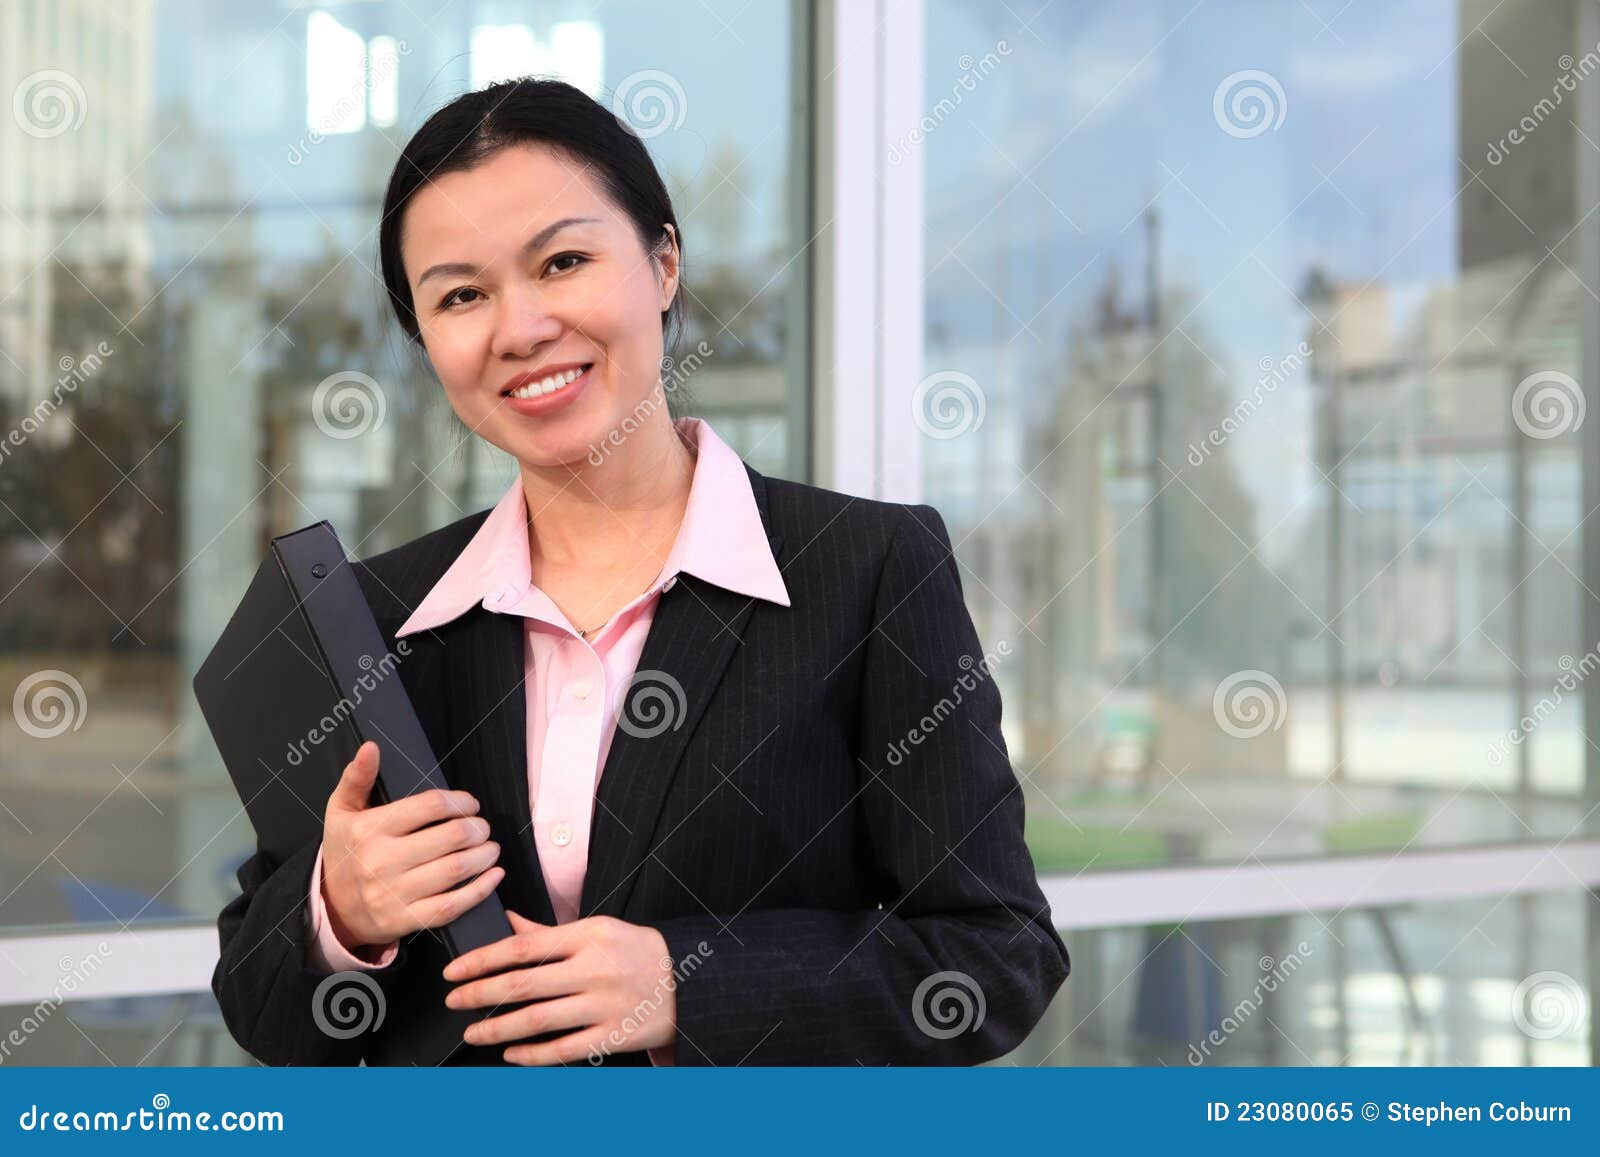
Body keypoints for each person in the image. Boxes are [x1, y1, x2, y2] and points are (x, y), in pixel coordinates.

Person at [211, 77, 1068, 1067]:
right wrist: (340, 911)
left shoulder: (867, 571)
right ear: (426, 341)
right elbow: (264, 1010)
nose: (520, 327)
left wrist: (683, 984)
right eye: (460, 295)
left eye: (563, 261)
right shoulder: (377, 617)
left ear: (663, 263)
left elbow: (995, 956)